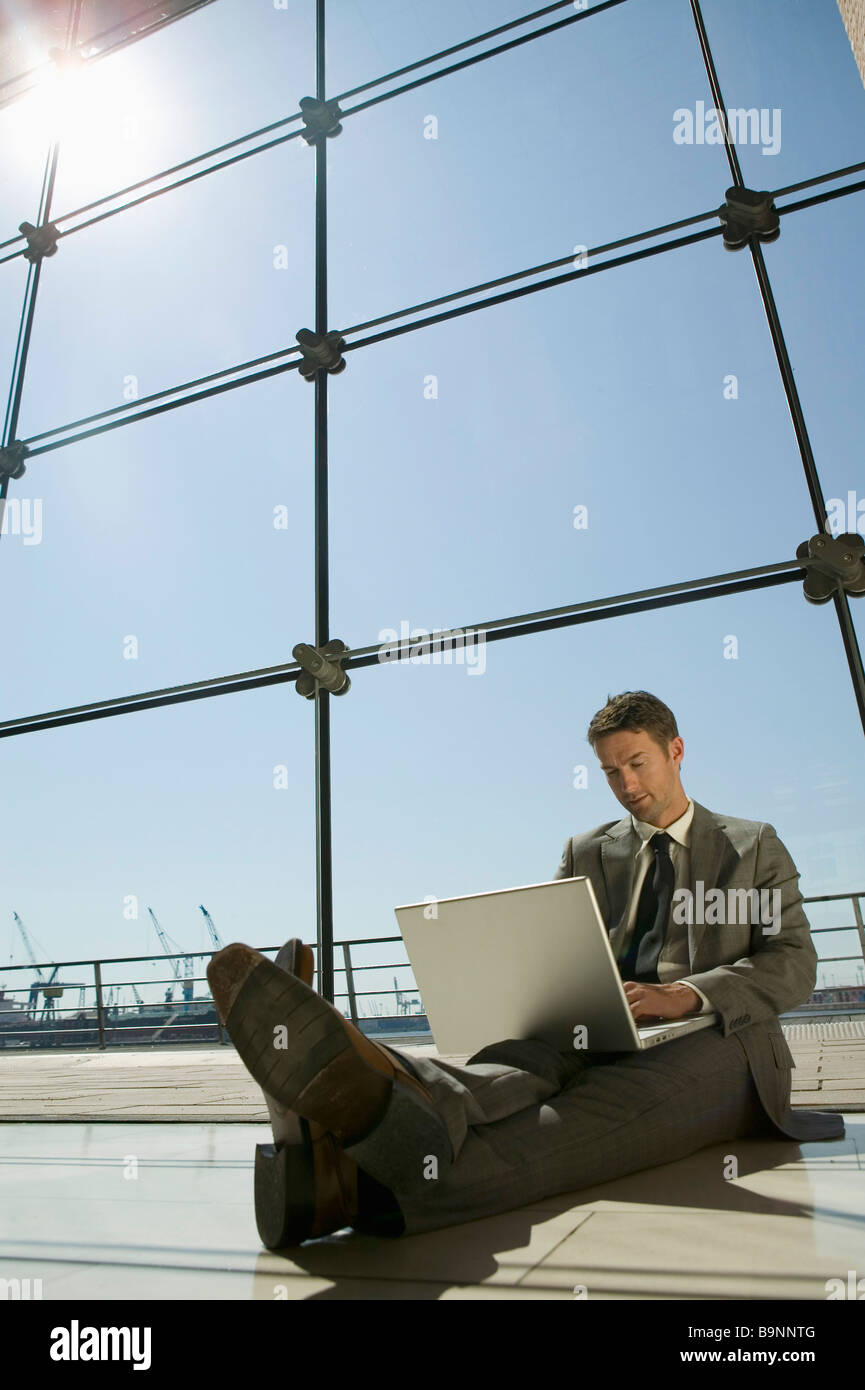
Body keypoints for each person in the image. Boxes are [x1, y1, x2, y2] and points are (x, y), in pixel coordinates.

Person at [207, 690, 844, 1245]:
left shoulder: (750, 844)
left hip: (724, 1042)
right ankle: (376, 1090)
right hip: (600, 1024)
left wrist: (685, 994)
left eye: (637, 763)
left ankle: (349, 1162)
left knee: (597, 1112)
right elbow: (553, 952)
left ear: (677, 751)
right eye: (610, 771)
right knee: (510, 1065)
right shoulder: (588, 850)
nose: (626, 785)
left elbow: (793, 963)